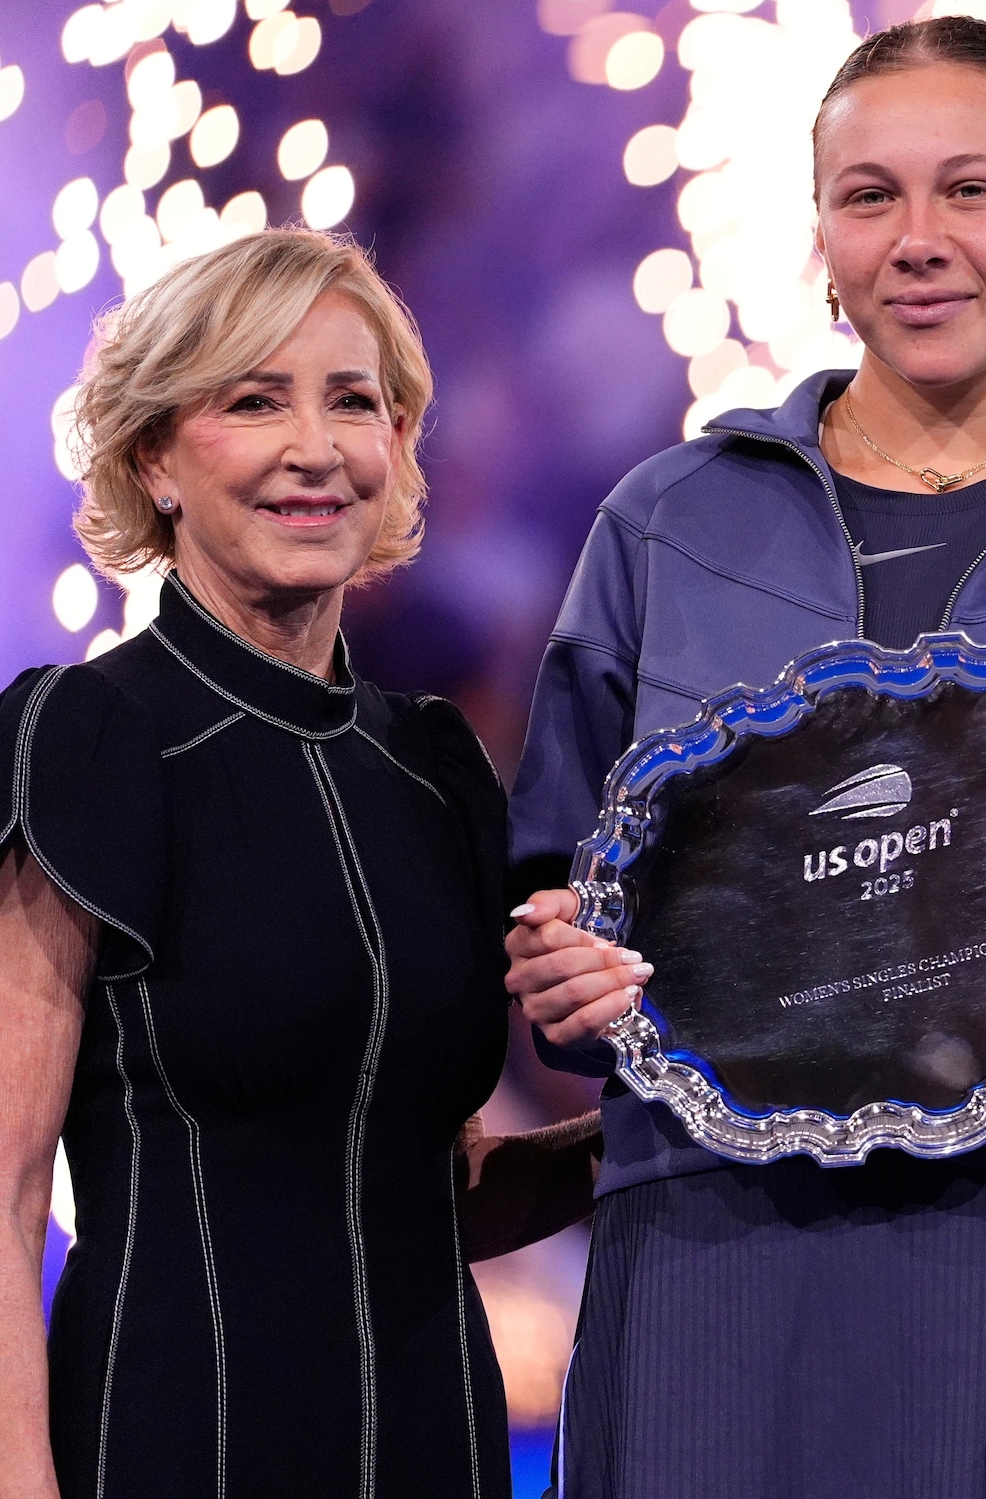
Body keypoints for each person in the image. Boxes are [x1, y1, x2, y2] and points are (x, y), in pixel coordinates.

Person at [501, 17, 986, 1499]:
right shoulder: (667, 523)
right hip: (714, 1264)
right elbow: (558, 891)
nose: (920, 240)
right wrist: (552, 978)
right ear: (823, 237)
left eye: (971, 190)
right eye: (871, 196)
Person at [0, 229, 594, 1499]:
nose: (315, 448)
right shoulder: (89, 736)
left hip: (442, 1446)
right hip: (183, 1446)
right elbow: (0, 1196)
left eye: (354, 402)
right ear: (154, 454)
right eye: (254, 400)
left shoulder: (435, 767)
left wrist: (673, 1133)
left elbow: (422, 1185)